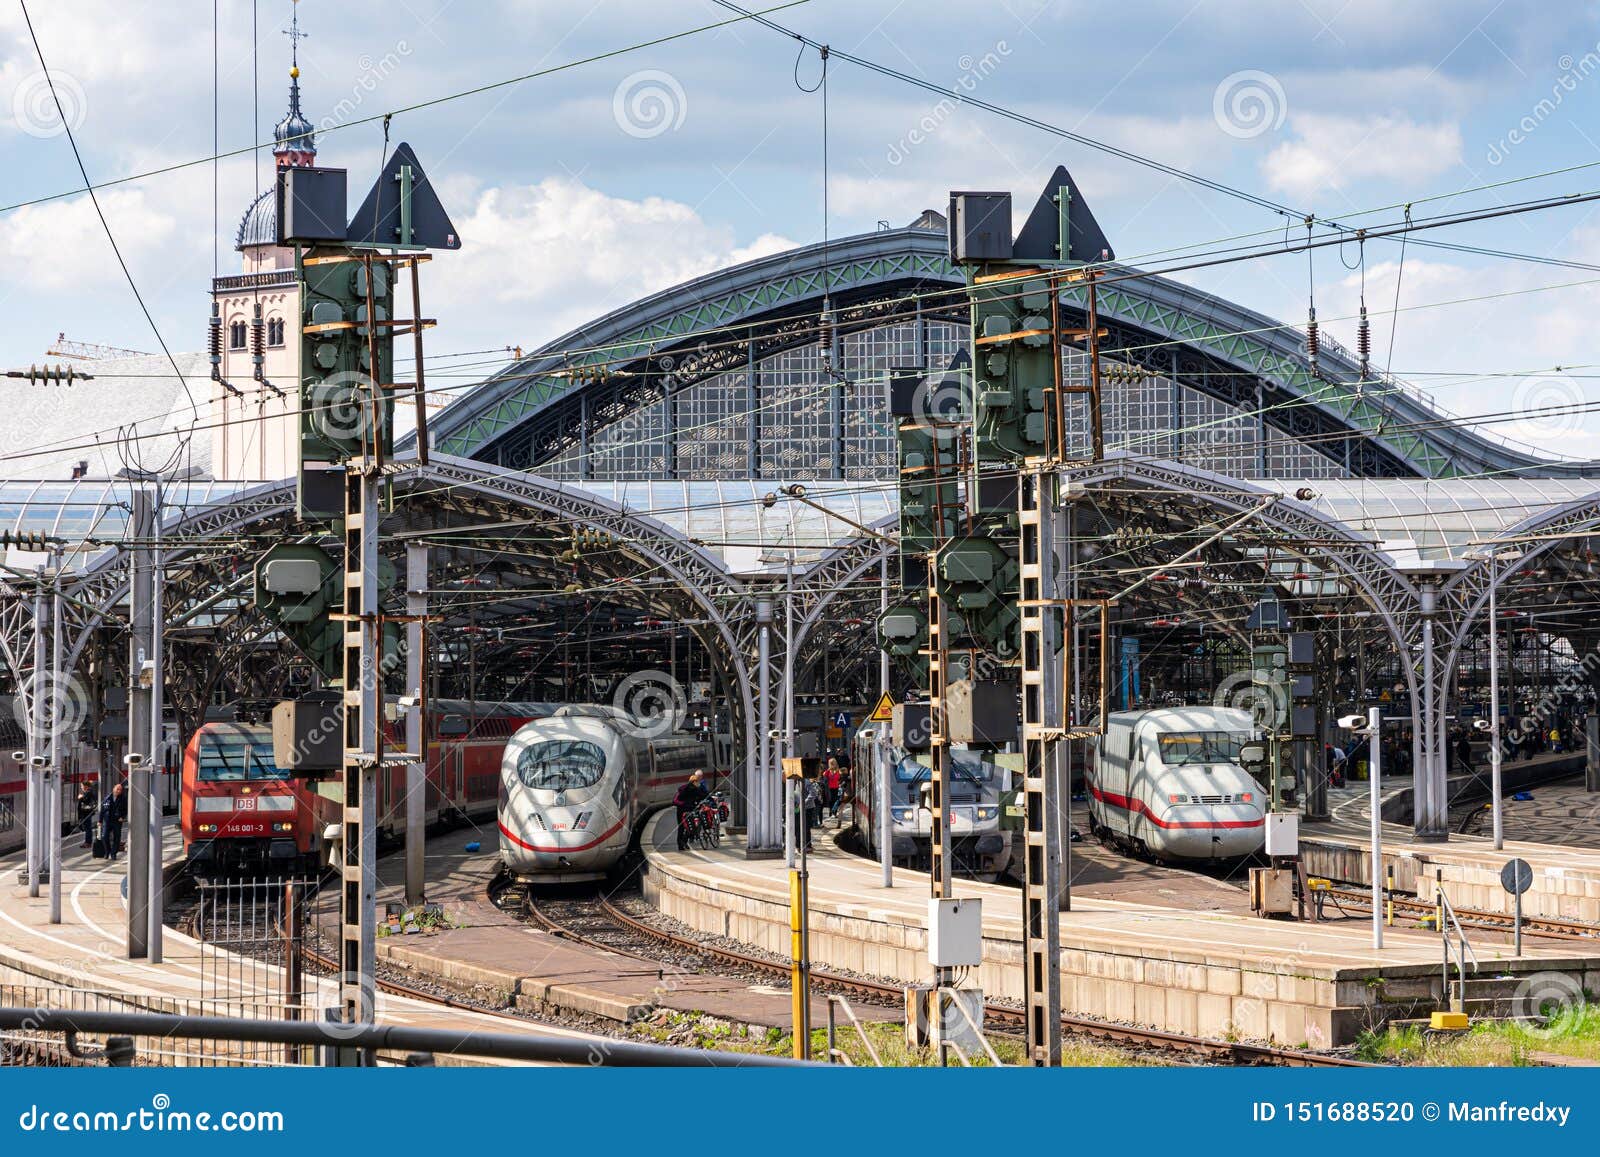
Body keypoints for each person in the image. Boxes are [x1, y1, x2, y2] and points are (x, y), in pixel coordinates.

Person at [673, 769, 710, 851]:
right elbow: (675, 800)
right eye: (697, 782)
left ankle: (683, 843)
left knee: (690, 827)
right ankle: (681, 844)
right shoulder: (683, 789)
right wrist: (684, 804)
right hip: (682, 811)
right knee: (683, 827)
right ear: (693, 782)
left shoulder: (697, 789)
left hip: (690, 810)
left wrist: (709, 798)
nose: (699, 783)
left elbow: (704, 795)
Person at [99, 781, 127, 861]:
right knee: (104, 836)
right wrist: (100, 820)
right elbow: (103, 809)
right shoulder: (107, 797)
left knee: (117, 837)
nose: (119, 791)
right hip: (107, 820)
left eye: (120, 790)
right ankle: (107, 851)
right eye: (117, 789)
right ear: (113, 789)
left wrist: (122, 817)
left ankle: (113, 853)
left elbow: (125, 809)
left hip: (117, 821)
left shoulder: (123, 798)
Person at [75, 781, 98, 849]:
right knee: (86, 827)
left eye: (82, 786)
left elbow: (85, 800)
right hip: (85, 813)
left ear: (86, 786)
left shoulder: (88, 792)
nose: (81, 787)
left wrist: (80, 797)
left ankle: (88, 843)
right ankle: (87, 842)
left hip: (87, 813)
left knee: (88, 828)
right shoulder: (87, 792)